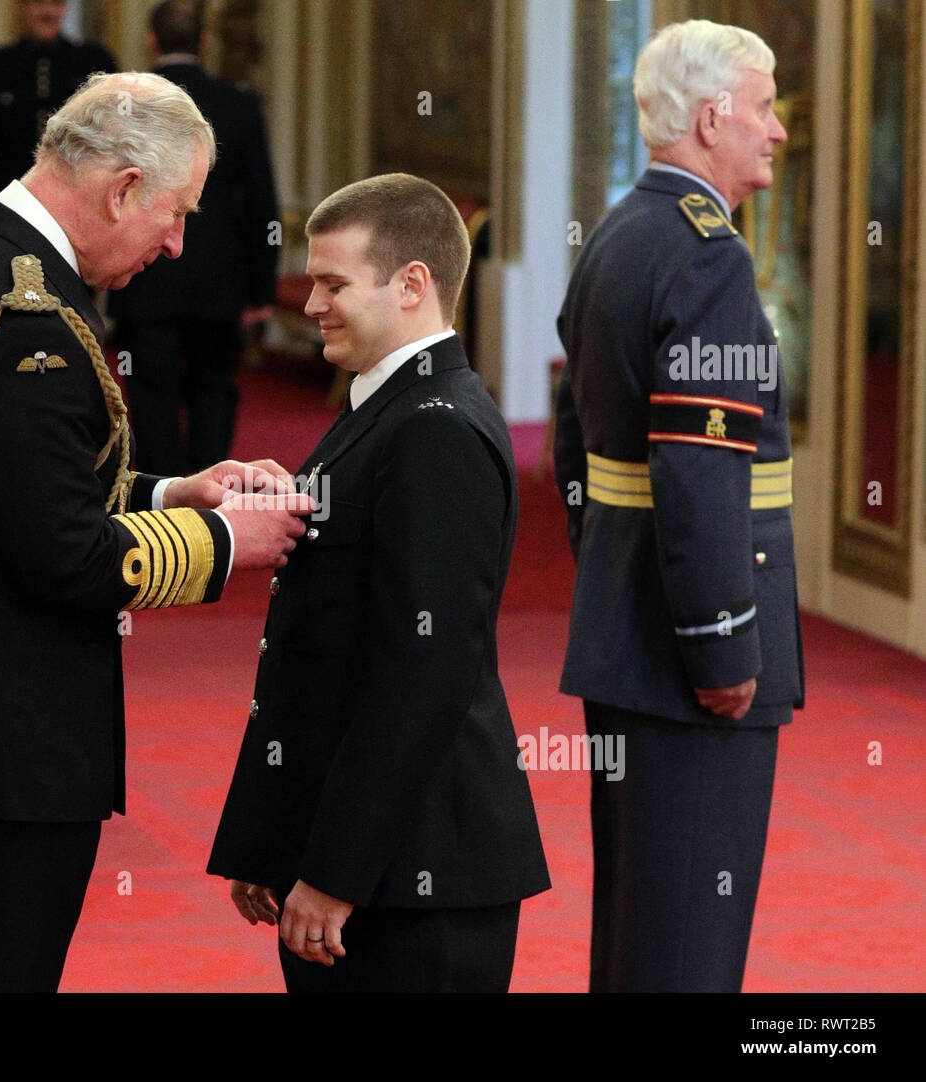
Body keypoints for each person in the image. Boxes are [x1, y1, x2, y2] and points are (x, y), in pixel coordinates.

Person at [0, 72, 312, 993]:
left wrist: (178, 492)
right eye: (175, 213)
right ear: (122, 187)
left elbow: (27, 479)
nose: (176, 243)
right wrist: (227, 545)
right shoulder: (26, 317)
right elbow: (65, 554)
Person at [207, 173, 551, 993]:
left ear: (412, 285)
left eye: (334, 283)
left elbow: (421, 675)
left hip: (416, 881)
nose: (314, 302)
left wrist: (333, 873)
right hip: (370, 866)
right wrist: (273, 840)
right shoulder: (386, 408)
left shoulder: (436, 431)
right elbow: (320, 652)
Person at [553, 19, 803, 992]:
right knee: (687, 950)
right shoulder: (709, 257)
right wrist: (720, 640)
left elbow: (578, 446)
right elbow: (699, 470)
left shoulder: (619, 232)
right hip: (689, 654)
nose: (777, 129)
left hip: (626, 626)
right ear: (711, 119)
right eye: (764, 106)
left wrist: (612, 567)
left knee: (635, 928)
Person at [107, 0, 279, 475]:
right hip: (220, 286)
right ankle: (210, 496)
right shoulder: (240, 103)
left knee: (151, 395)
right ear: (204, 42)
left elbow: (113, 196)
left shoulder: (130, 112)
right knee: (214, 389)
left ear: (151, 40)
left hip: (145, 277)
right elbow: (263, 203)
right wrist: (261, 289)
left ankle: (161, 503)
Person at [0, 0, 116, 215]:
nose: (48, 12)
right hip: (12, 193)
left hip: (76, 194)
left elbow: (111, 139)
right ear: (22, 6)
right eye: (38, 3)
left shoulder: (93, 62)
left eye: (56, 3)